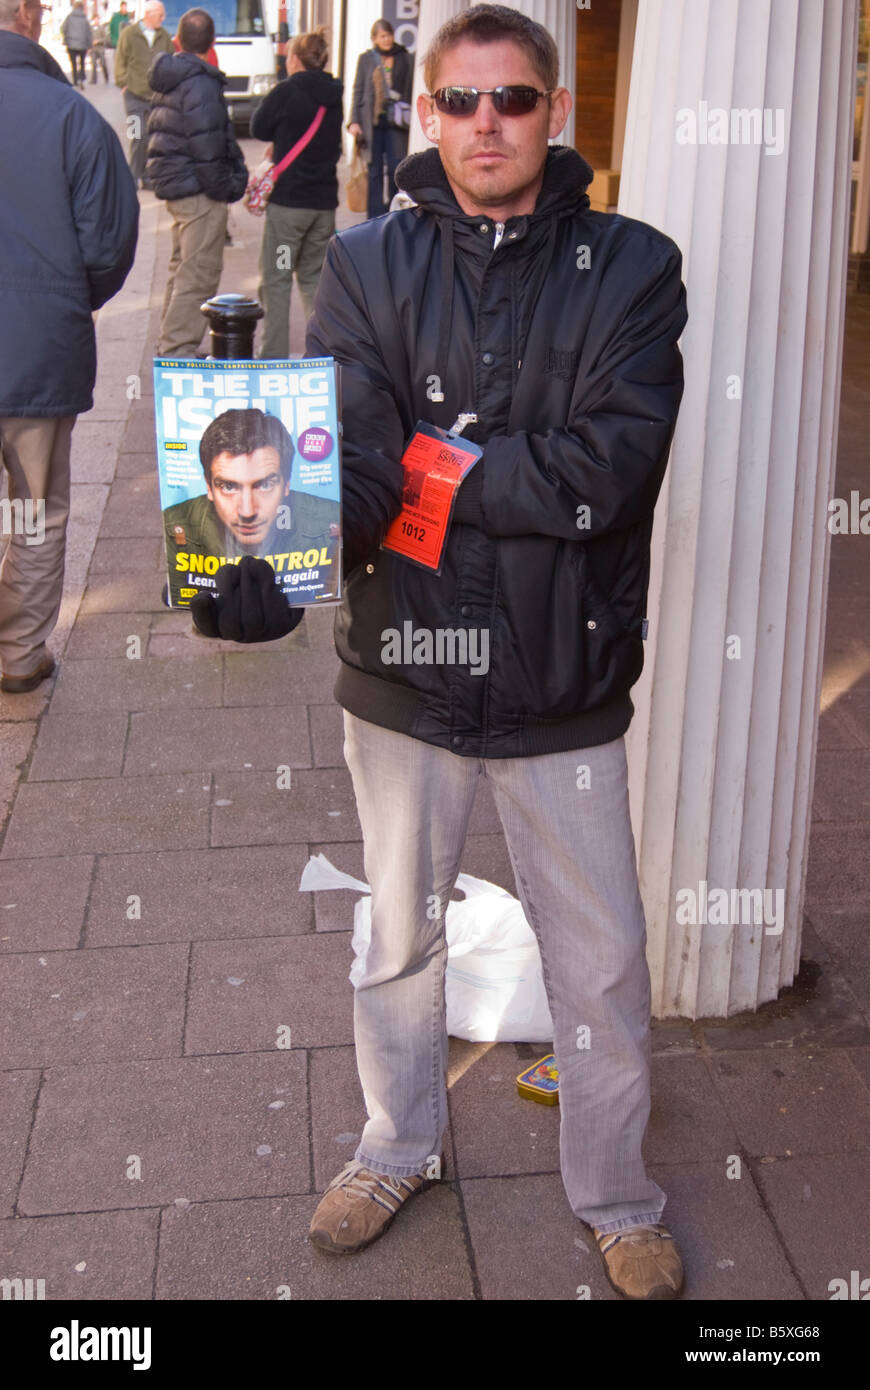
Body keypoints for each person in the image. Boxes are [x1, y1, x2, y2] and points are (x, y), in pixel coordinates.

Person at [190, 2, 689, 1301]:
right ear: (423, 113)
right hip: (401, 665)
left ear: (552, 113)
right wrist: (269, 571)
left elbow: (607, 474)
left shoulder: (632, 267)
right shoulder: (364, 267)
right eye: (458, 102)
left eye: (511, 101)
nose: (485, 124)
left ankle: (616, 1192)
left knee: (601, 960)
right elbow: (346, 468)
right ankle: (395, 1144)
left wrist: (435, 462)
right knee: (394, 939)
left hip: (561, 677)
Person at [0, 0, 137, 693]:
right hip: (36, 355)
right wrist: (60, 301)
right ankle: (20, 654)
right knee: (28, 507)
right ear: (31, 18)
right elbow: (109, 245)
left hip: (37, 347)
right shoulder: (73, 117)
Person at [145, 7, 247, 358]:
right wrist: (228, 186)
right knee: (198, 275)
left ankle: (169, 347)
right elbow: (208, 147)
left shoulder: (173, 75)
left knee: (182, 269)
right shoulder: (200, 81)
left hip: (178, 185)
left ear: (178, 40)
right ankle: (176, 353)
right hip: (198, 189)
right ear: (212, 42)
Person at [251, 27, 343, 358]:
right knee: (314, 280)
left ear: (294, 59)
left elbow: (257, 127)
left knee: (276, 280)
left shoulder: (287, 91)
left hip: (289, 207)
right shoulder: (334, 93)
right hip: (323, 206)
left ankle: (273, 356)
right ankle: (321, 356)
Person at [162, 408, 338, 573]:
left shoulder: (329, 521)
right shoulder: (177, 525)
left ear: (287, 484)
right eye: (229, 487)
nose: (247, 512)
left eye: (265, 485)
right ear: (208, 487)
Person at [348, 18, 412, 219]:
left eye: (389, 35)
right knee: (374, 170)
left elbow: (410, 88)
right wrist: (354, 121)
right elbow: (358, 90)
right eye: (382, 36)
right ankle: (374, 217)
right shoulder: (367, 59)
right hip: (372, 123)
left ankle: (393, 212)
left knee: (396, 167)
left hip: (396, 121)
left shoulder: (404, 57)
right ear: (374, 38)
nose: (387, 39)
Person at [114, 0, 172, 189]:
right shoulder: (129, 34)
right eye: (160, 15)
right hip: (133, 96)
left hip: (156, 97)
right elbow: (120, 60)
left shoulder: (164, 36)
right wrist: (123, 83)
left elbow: (171, 62)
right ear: (149, 14)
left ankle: (146, 176)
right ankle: (132, 176)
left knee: (151, 137)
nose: (163, 19)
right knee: (136, 136)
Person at [60, 0, 90, 86]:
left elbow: (63, 28)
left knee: (73, 63)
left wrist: (66, 37)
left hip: (71, 44)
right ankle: (81, 77)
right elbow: (89, 32)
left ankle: (75, 80)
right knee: (82, 62)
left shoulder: (69, 17)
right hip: (83, 44)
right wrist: (89, 44)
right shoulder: (85, 19)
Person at [89, 6, 109, 81]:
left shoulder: (102, 28)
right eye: (95, 19)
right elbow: (89, 37)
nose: (96, 20)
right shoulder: (91, 28)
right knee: (94, 64)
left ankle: (106, 76)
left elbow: (106, 38)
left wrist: (98, 41)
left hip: (100, 49)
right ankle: (93, 79)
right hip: (93, 49)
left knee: (103, 64)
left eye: (97, 19)